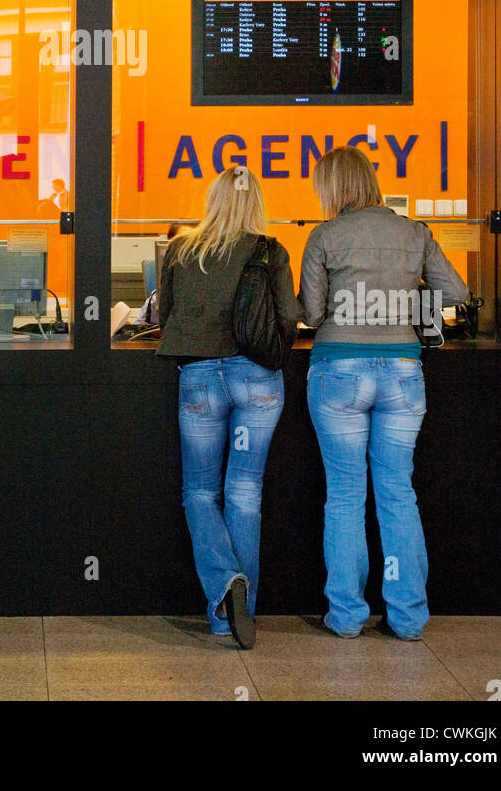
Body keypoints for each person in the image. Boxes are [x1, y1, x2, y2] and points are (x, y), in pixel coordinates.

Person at [299, 146, 469, 641]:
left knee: (346, 495)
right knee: (398, 493)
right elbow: (455, 293)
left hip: (338, 371)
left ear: (333, 188)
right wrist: (404, 300)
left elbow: (311, 311)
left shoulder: (325, 236)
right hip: (402, 370)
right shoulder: (414, 233)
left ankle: (348, 615)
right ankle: (408, 616)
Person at [156, 166, 302, 648]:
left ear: (213, 198)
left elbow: (165, 315)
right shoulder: (269, 250)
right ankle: (242, 612)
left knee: (200, 492)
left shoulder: (180, 249)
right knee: (245, 491)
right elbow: (289, 318)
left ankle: (224, 595)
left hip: (199, 379)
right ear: (255, 202)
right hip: (257, 379)